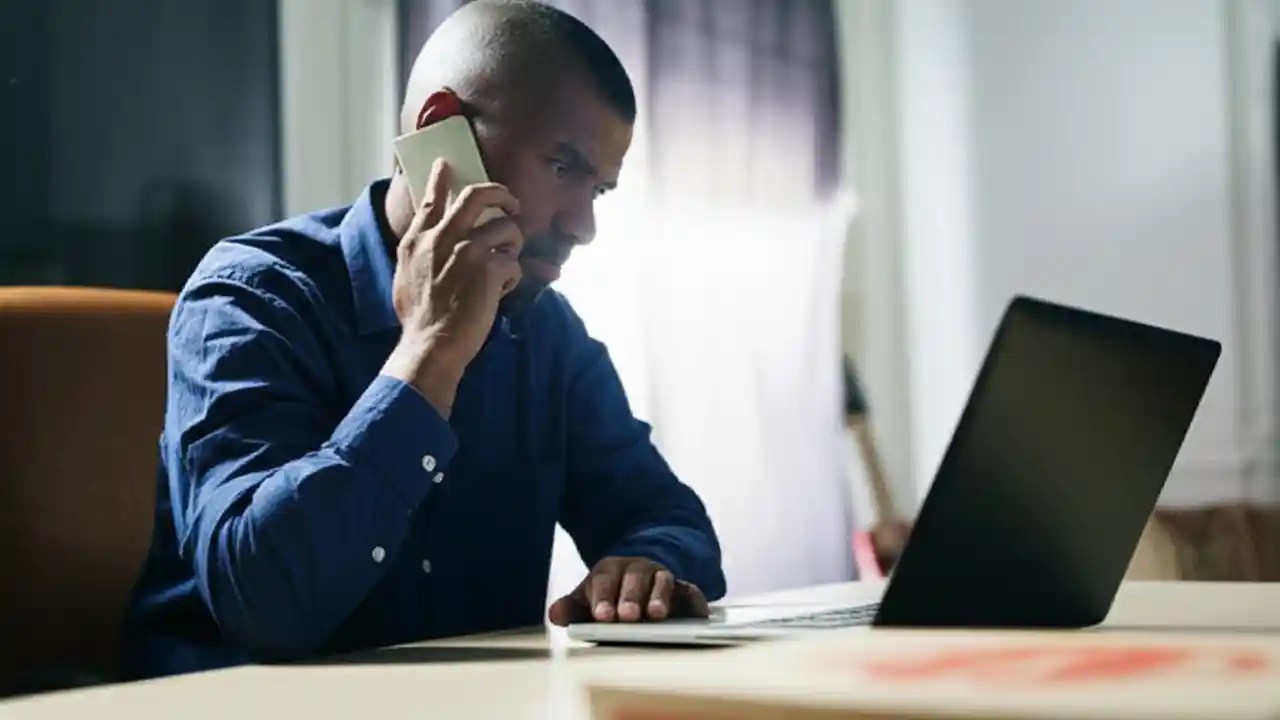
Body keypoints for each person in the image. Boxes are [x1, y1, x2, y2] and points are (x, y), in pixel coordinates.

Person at [122, 0, 725, 679]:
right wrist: (430, 354)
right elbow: (264, 605)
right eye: (563, 167)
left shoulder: (544, 331)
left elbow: (669, 518)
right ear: (442, 132)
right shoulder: (251, 298)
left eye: (600, 190)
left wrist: (649, 564)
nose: (583, 226)